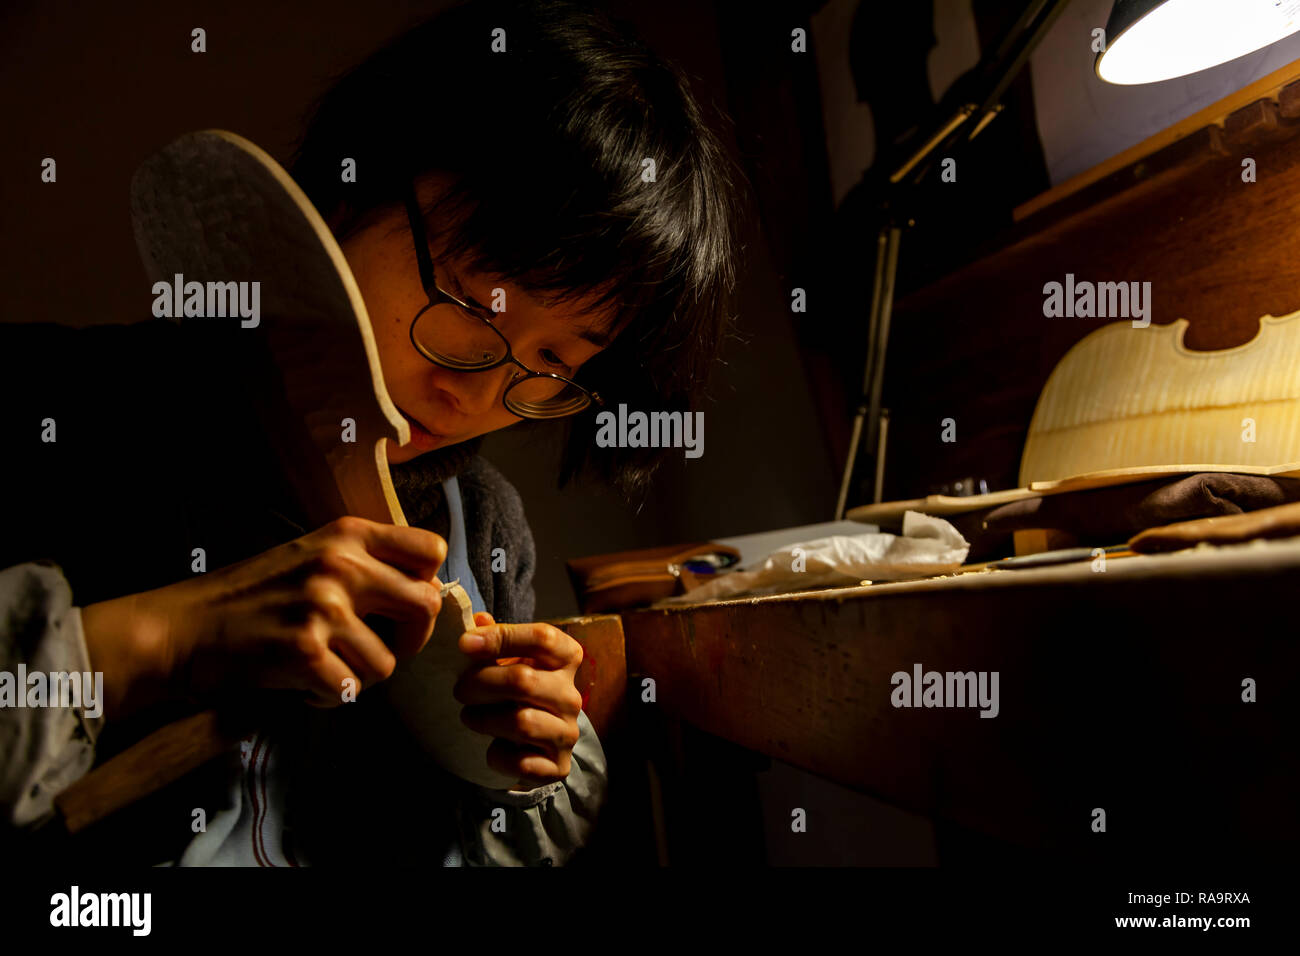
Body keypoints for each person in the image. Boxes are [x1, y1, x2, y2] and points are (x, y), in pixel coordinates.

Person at [0, 0, 740, 866]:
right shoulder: (47, 407)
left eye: (555, 361)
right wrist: (165, 640)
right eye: (470, 301)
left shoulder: (481, 524)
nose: (478, 392)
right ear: (354, 185)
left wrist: (526, 757)